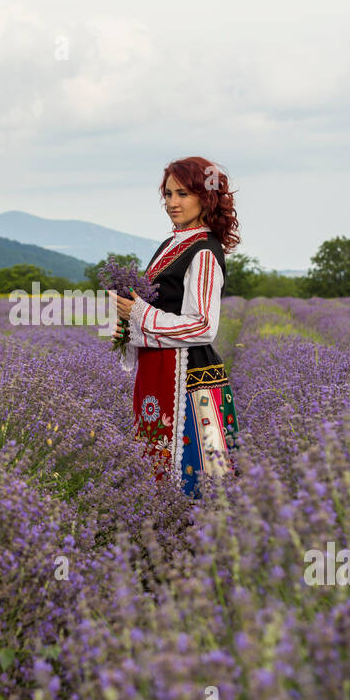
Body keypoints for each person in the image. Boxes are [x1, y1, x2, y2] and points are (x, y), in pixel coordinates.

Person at [110, 156, 241, 497]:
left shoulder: (204, 252)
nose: (172, 203)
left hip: (189, 378)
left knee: (199, 480)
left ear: (205, 196)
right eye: (167, 195)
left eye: (182, 193)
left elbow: (202, 325)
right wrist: (127, 327)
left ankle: (196, 542)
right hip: (157, 371)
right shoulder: (170, 245)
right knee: (154, 466)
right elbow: (157, 307)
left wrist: (139, 315)